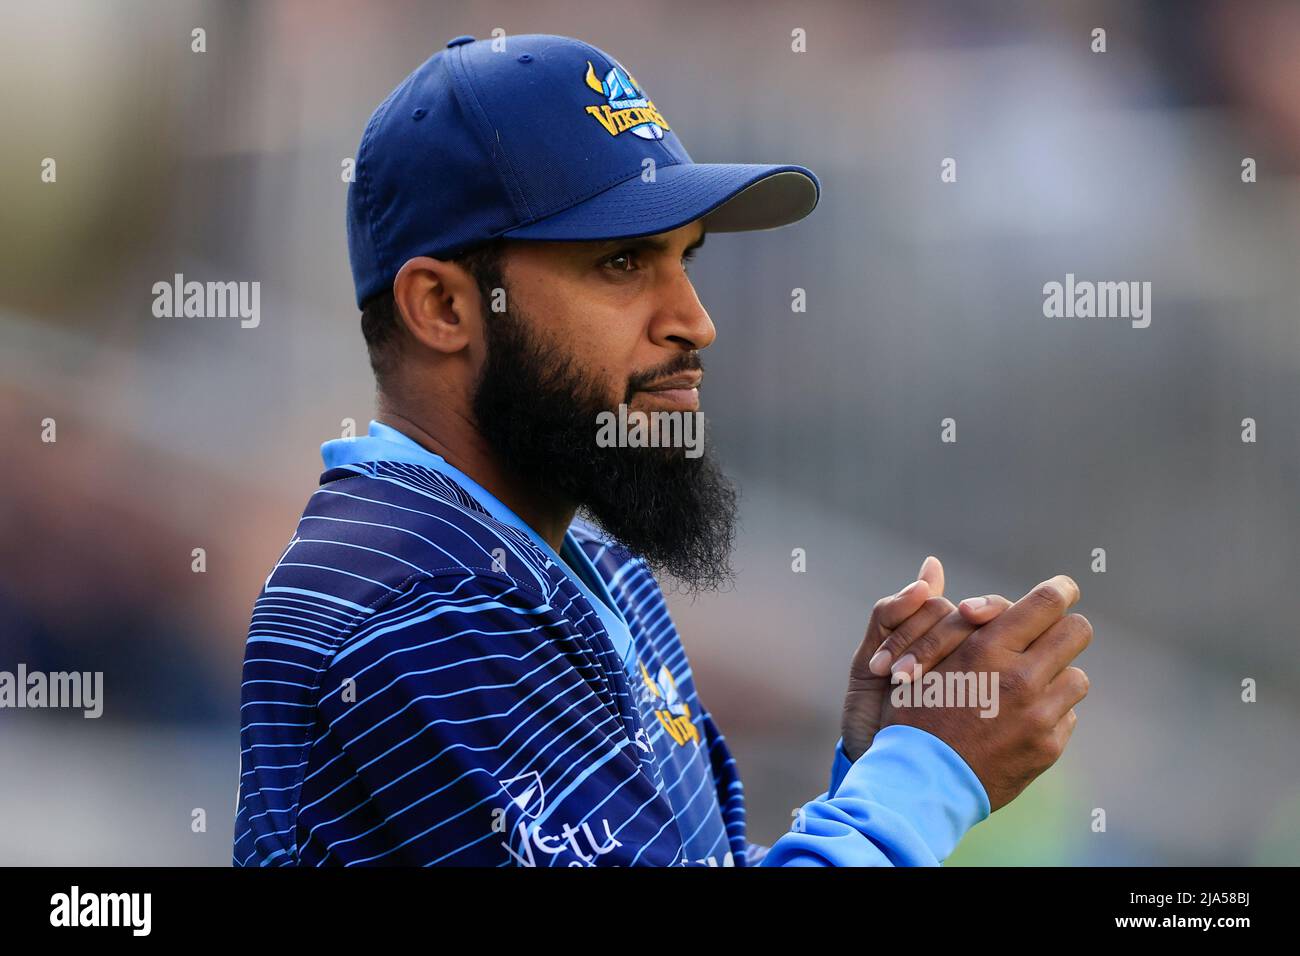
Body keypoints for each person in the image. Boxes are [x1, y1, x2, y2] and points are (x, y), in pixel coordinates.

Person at [234, 33, 1091, 866]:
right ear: (445, 309)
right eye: (621, 263)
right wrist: (927, 777)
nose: (695, 320)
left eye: (685, 258)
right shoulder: (420, 610)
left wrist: (875, 763)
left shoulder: (576, 563)